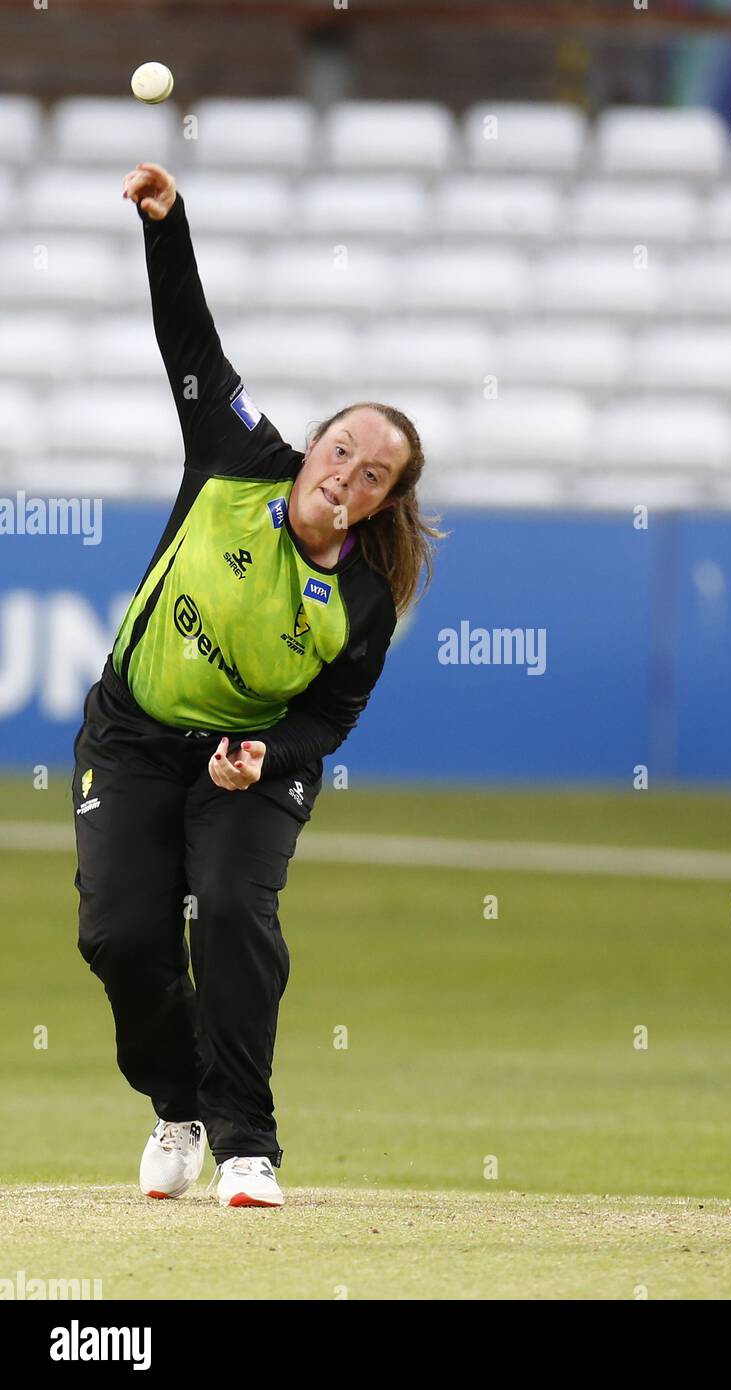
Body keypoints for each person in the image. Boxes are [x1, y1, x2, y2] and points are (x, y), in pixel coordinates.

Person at [72, 161, 442, 1207]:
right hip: (133, 733)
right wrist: (165, 226)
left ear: (384, 500)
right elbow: (190, 342)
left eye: (374, 474)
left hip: (249, 764)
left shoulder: (364, 596)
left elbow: (331, 713)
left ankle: (247, 1144)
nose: (347, 474)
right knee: (119, 935)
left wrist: (264, 755)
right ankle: (178, 1108)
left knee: (233, 910)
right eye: (342, 449)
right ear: (315, 443)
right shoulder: (236, 457)